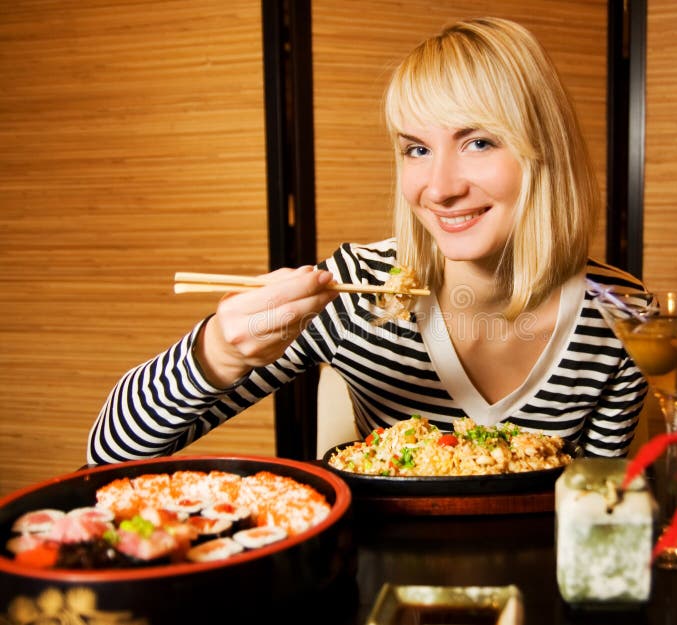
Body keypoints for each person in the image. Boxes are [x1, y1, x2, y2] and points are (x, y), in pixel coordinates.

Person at [88, 17, 647, 465]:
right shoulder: (360, 293)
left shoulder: (625, 316)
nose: (439, 188)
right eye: (416, 149)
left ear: (544, 151)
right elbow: (108, 455)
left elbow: (596, 513)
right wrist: (217, 352)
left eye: (478, 142)